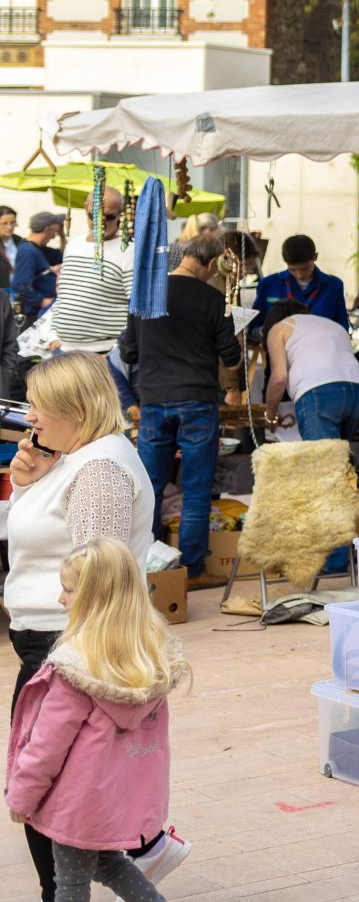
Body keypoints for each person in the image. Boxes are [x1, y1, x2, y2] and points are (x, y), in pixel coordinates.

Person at [5, 357, 171, 898]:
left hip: (65, 651)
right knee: (68, 820)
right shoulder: (79, 459)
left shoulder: (99, 470)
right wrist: (28, 481)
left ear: (75, 411)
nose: (30, 415)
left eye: (39, 404)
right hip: (56, 645)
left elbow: (95, 575)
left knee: (54, 809)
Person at [6, 544, 187, 902]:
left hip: (77, 804)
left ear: (95, 599)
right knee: (110, 863)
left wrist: (22, 797)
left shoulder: (73, 670)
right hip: (115, 802)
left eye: (70, 590)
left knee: (70, 882)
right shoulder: (147, 662)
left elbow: (46, 747)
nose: (61, 598)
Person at [116, 234, 239, 588]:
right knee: (197, 490)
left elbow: (128, 353)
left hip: (154, 401)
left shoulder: (144, 296)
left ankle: (148, 568)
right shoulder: (213, 299)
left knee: (150, 487)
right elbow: (229, 354)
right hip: (198, 400)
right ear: (212, 263)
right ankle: (194, 571)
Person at [258, 301, 359, 443]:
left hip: (318, 391)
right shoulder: (333, 325)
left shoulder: (279, 328)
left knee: (322, 460)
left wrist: (270, 416)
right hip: (356, 390)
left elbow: (279, 378)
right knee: (340, 457)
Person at [49, 192, 131, 358]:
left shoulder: (129, 250)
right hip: (64, 351)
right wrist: (52, 334)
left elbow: (135, 307)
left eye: (108, 216)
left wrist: (115, 351)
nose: (100, 222)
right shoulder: (73, 245)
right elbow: (64, 294)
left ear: (120, 215)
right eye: (94, 215)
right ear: (85, 209)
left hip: (104, 353)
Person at [252, 234, 347, 328]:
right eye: (293, 270)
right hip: (279, 342)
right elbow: (254, 326)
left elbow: (342, 326)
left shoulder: (334, 286)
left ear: (315, 256)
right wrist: (266, 333)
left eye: (304, 269)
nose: (299, 275)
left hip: (321, 342)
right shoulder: (268, 285)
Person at [1, 205, 47, 320]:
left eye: (13, 223)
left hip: (19, 298)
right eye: (5, 223)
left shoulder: (18, 241)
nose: (10, 227)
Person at [22, 211, 66, 317]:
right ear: (47, 230)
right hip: (33, 313)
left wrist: (62, 236)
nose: (54, 236)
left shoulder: (40, 249)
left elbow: (64, 256)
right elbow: (21, 284)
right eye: (54, 232)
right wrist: (42, 301)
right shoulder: (27, 251)